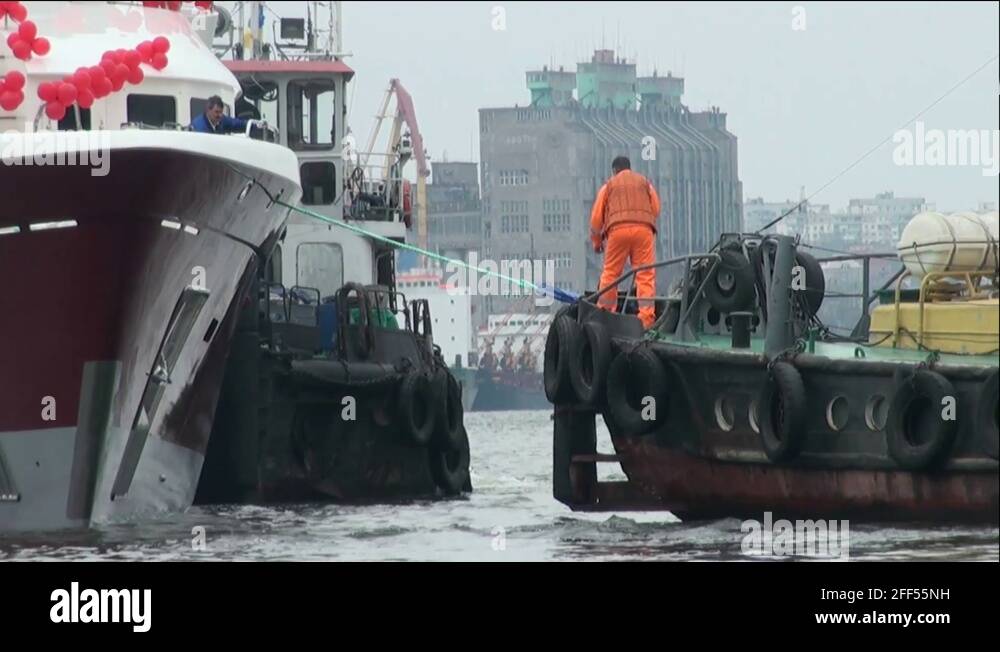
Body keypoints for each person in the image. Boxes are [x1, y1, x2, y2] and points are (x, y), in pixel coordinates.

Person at [589, 156, 661, 329]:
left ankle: (605, 312)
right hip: (643, 231)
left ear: (614, 170)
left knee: (611, 273)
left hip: (618, 231)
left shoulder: (609, 186)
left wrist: (597, 243)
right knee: (645, 274)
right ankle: (646, 319)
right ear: (629, 167)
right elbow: (656, 209)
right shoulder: (645, 183)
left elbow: (596, 220)